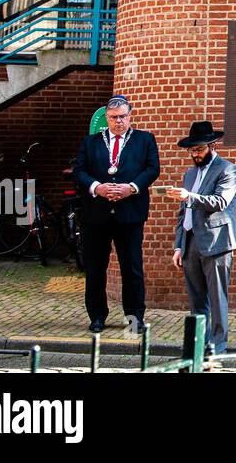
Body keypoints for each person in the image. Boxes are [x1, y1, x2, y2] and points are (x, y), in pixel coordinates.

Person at [72, 95, 160, 333]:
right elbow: (78, 171)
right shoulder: (91, 142)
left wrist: (130, 188)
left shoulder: (144, 140)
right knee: (95, 267)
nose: (118, 121)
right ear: (106, 118)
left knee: (131, 267)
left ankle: (134, 317)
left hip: (129, 214)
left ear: (130, 116)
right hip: (96, 215)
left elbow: (153, 169)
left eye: (122, 116)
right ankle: (97, 316)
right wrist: (96, 187)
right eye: (113, 118)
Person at [168, 121, 236, 356]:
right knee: (196, 300)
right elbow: (183, 213)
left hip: (217, 242)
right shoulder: (189, 174)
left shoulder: (228, 170)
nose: (195, 154)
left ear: (212, 145)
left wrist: (190, 196)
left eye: (199, 149)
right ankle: (200, 344)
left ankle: (218, 348)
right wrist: (179, 245)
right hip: (190, 243)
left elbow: (220, 202)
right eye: (192, 150)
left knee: (217, 298)